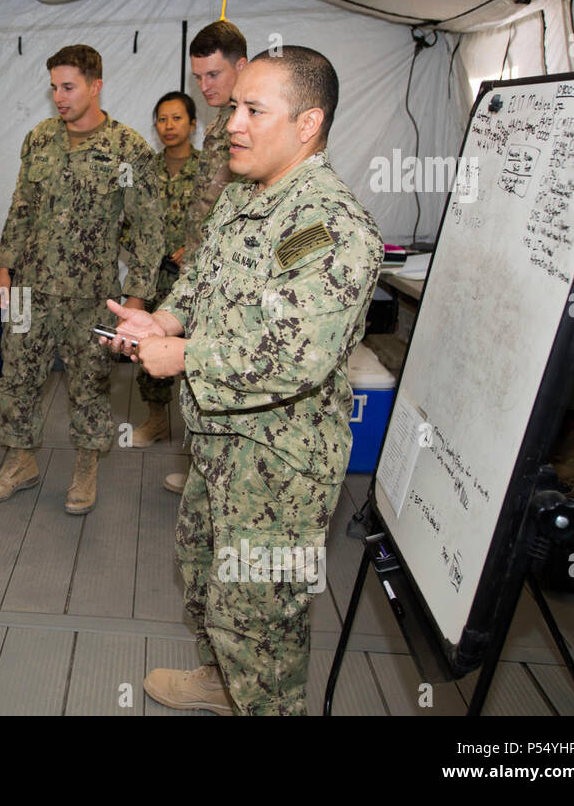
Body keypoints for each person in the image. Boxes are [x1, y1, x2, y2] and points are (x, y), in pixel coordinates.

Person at [102, 46, 383, 715]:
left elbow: (296, 357)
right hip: (217, 450)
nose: (232, 123)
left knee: (262, 628)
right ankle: (222, 683)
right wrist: (161, 321)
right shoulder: (239, 198)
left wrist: (185, 356)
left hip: (277, 469)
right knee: (203, 582)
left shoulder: (332, 226)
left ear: (308, 123)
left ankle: (257, 698)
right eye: (234, 108)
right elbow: (200, 279)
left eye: (255, 110)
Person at [0, 45, 162, 514]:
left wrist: (137, 300)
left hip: (91, 297)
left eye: (68, 87)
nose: (58, 97)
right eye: (53, 87)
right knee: (17, 379)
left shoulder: (128, 150)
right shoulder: (40, 139)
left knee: (90, 385)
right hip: (32, 291)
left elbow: (147, 231)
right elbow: (21, 208)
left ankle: (86, 468)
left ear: (95, 86)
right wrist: (4, 269)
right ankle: (20, 462)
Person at [159, 20, 250, 487]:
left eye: (213, 75)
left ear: (242, 66)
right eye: (197, 77)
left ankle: (216, 478)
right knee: (199, 382)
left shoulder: (252, 126)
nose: (204, 86)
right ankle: (202, 471)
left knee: (221, 381)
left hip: (232, 280)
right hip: (201, 273)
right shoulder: (220, 126)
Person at [127, 91, 200, 448]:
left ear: (192, 124)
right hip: (154, 277)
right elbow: (125, 220)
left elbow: (224, 218)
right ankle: (157, 420)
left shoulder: (212, 171)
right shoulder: (145, 170)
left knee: (196, 352)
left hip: (197, 280)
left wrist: (196, 247)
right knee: (151, 348)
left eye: (176, 118)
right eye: (162, 119)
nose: (168, 126)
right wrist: (146, 248)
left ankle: (198, 432)